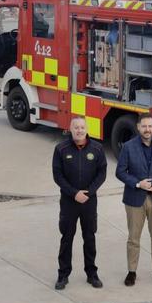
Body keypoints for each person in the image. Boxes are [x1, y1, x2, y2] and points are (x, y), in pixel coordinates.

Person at [116, 113, 152, 286]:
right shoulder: (128, 147)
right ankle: (131, 272)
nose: (147, 129)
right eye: (144, 126)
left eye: (150, 126)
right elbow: (120, 171)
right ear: (138, 127)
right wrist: (137, 184)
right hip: (135, 199)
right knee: (134, 238)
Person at [51, 116, 107, 290]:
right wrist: (74, 193)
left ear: (87, 129)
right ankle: (63, 275)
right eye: (76, 127)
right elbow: (57, 176)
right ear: (70, 128)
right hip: (69, 202)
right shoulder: (61, 149)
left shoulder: (97, 148)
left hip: (89, 202)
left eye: (82, 127)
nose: (79, 130)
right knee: (66, 238)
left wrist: (89, 193)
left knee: (89, 237)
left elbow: (102, 173)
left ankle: (92, 274)